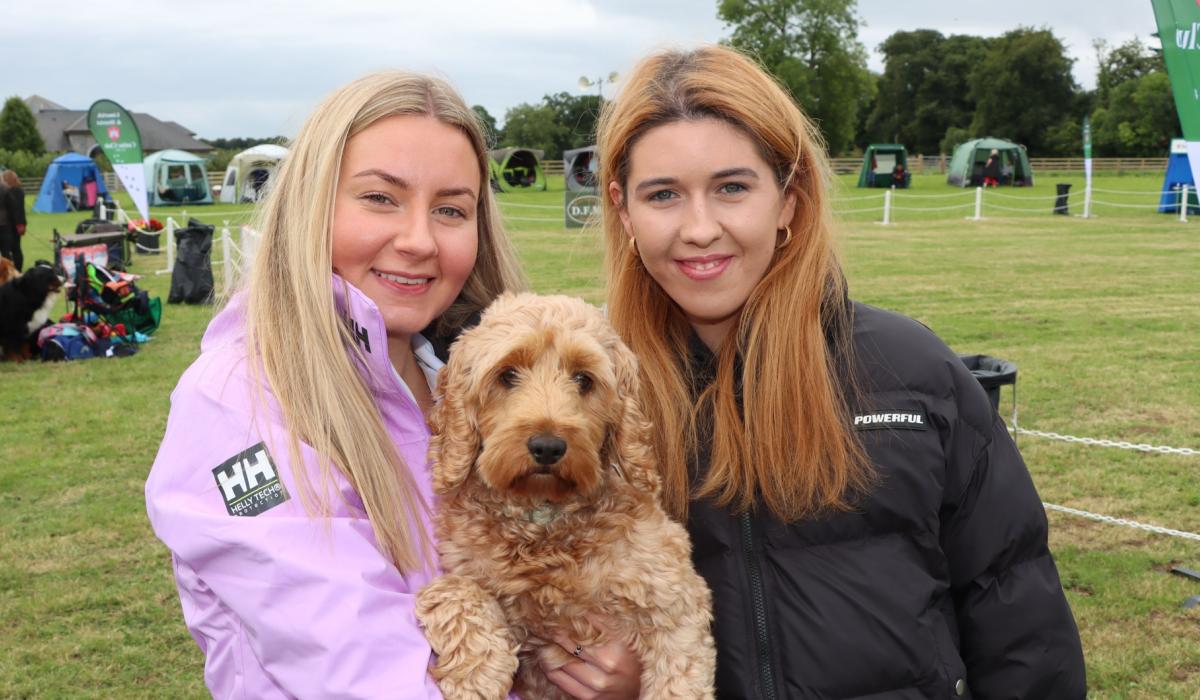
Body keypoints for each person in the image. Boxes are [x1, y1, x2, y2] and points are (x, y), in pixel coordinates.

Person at [597, 45, 1086, 699]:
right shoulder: (589, 400)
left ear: (789, 199)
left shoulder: (914, 373)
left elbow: (1022, 632)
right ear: (623, 210)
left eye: (732, 188)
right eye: (663, 195)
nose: (700, 228)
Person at [146, 71, 641, 699]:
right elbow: (363, 670)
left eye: (451, 209)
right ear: (310, 204)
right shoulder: (239, 402)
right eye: (381, 198)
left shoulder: (464, 379)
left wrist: (610, 665)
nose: (418, 241)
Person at [0, 170, 26, 270]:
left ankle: (12, 270)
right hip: (12, 224)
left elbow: (15, 209)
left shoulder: (9, 191)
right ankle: (15, 270)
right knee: (14, 249)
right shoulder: (16, 191)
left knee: (11, 250)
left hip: (10, 224)